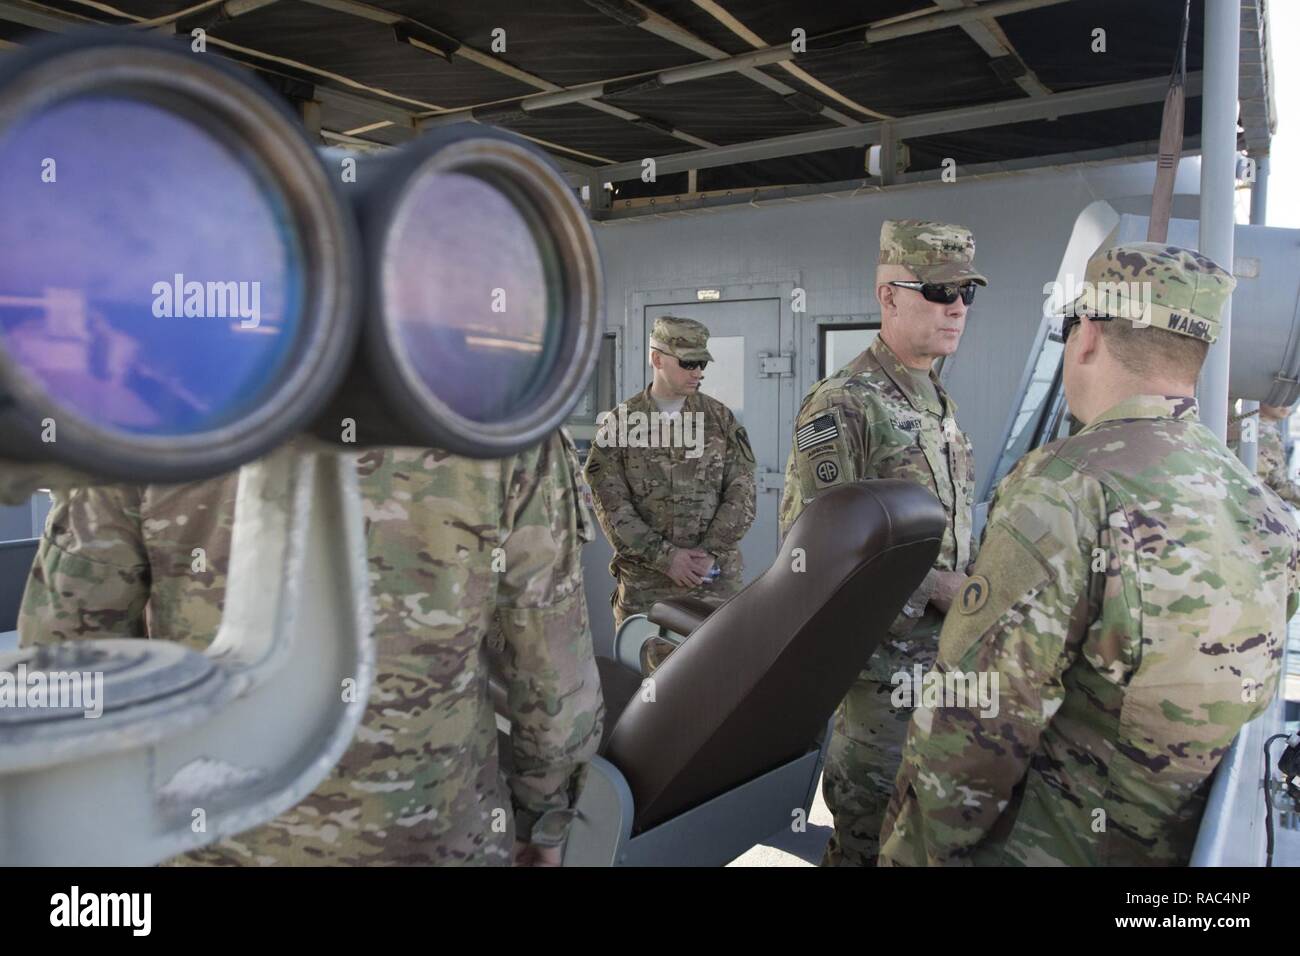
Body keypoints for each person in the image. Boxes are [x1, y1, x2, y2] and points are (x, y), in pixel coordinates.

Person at [879, 242, 1300, 867]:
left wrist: (912, 854)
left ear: (1089, 336)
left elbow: (978, 719)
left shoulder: (1066, 487)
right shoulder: (1261, 505)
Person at [18, 433, 604, 866]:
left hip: (205, 836)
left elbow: (66, 649)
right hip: (436, 835)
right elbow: (551, 671)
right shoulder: (499, 416)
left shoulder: (154, 411)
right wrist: (543, 818)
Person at [778, 219, 985, 866]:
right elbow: (814, 542)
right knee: (869, 838)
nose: (956, 308)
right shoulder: (842, 404)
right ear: (888, 295)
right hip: (878, 677)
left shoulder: (934, 399)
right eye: (938, 291)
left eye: (966, 294)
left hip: (939, 669)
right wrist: (937, 587)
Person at [583, 315, 756, 672]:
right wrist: (666, 557)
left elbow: (742, 492)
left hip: (714, 585)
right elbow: (611, 505)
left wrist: (708, 551)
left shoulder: (720, 420)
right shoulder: (619, 425)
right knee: (648, 697)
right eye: (689, 362)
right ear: (656, 358)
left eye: (702, 363)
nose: (698, 372)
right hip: (648, 591)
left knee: (722, 686)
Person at [1229, 403, 1300, 507]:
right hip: (1252, 504)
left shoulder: (1244, 423)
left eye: (1291, 395)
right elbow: (1277, 484)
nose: (1286, 403)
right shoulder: (1263, 431)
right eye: (1279, 394)